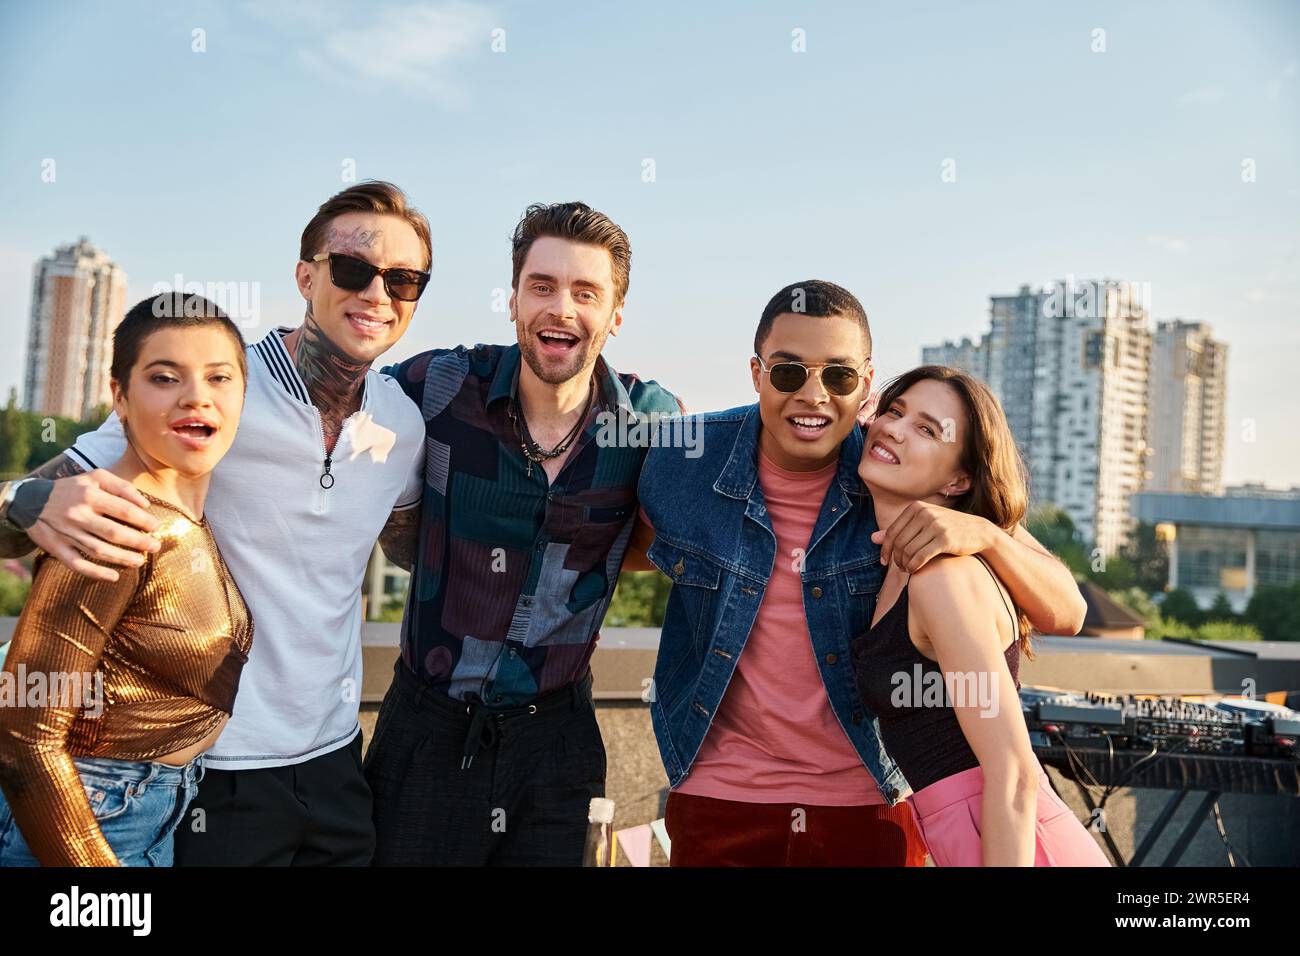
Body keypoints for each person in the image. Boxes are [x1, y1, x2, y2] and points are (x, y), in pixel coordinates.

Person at [0, 181, 429, 865]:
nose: (378, 293)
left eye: (404, 279)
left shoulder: (401, 424)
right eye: (353, 269)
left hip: (334, 760)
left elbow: (419, 551)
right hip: (209, 772)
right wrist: (23, 502)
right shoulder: (216, 387)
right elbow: (32, 511)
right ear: (306, 277)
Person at [635, 281, 1087, 866]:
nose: (813, 396)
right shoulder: (682, 461)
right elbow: (611, 544)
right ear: (756, 373)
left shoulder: (902, 476)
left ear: (865, 383)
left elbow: (1067, 610)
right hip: (719, 800)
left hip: (869, 804)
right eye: (788, 372)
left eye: (840, 376)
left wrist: (987, 534)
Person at [366, 201, 680, 865]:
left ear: (616, 314)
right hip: (425, 733)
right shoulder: (439, 386)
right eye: (542, 286)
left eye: (586, 292)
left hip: (557, 746)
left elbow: (742, 493)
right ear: (513, 300)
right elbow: (326, 408)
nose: (561, 308)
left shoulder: (650, 422)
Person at [0, 293, 250, 866]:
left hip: (150, 809)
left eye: (219, 377)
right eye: (164, 377)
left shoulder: (181, 515)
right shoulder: (110, 524)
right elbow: (24, 741)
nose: (196, 396)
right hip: (87, 818)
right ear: (120, 397)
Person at [851, 365, 1109, 866]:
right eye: (894, 412)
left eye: (927, 430)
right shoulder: (906, 566)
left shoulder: (941, 576)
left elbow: (1013, 773)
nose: (895, 430)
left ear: (958, 480)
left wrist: (988, 533)